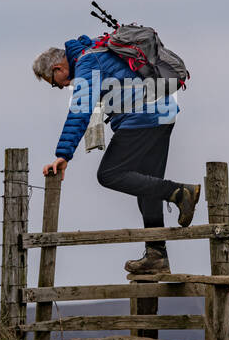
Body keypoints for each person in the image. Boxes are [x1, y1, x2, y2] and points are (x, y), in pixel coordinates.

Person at [32, 35, 200, 275]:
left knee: (109, 174)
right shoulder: (97, 51)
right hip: (163, 114)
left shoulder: (86, 63)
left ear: (57, 67)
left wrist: (63, 154)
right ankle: (156, 256)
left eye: (53, 82)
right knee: (147, 184)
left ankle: (180, 192)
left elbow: (80, 109)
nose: (59, 86)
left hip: (141, 117)